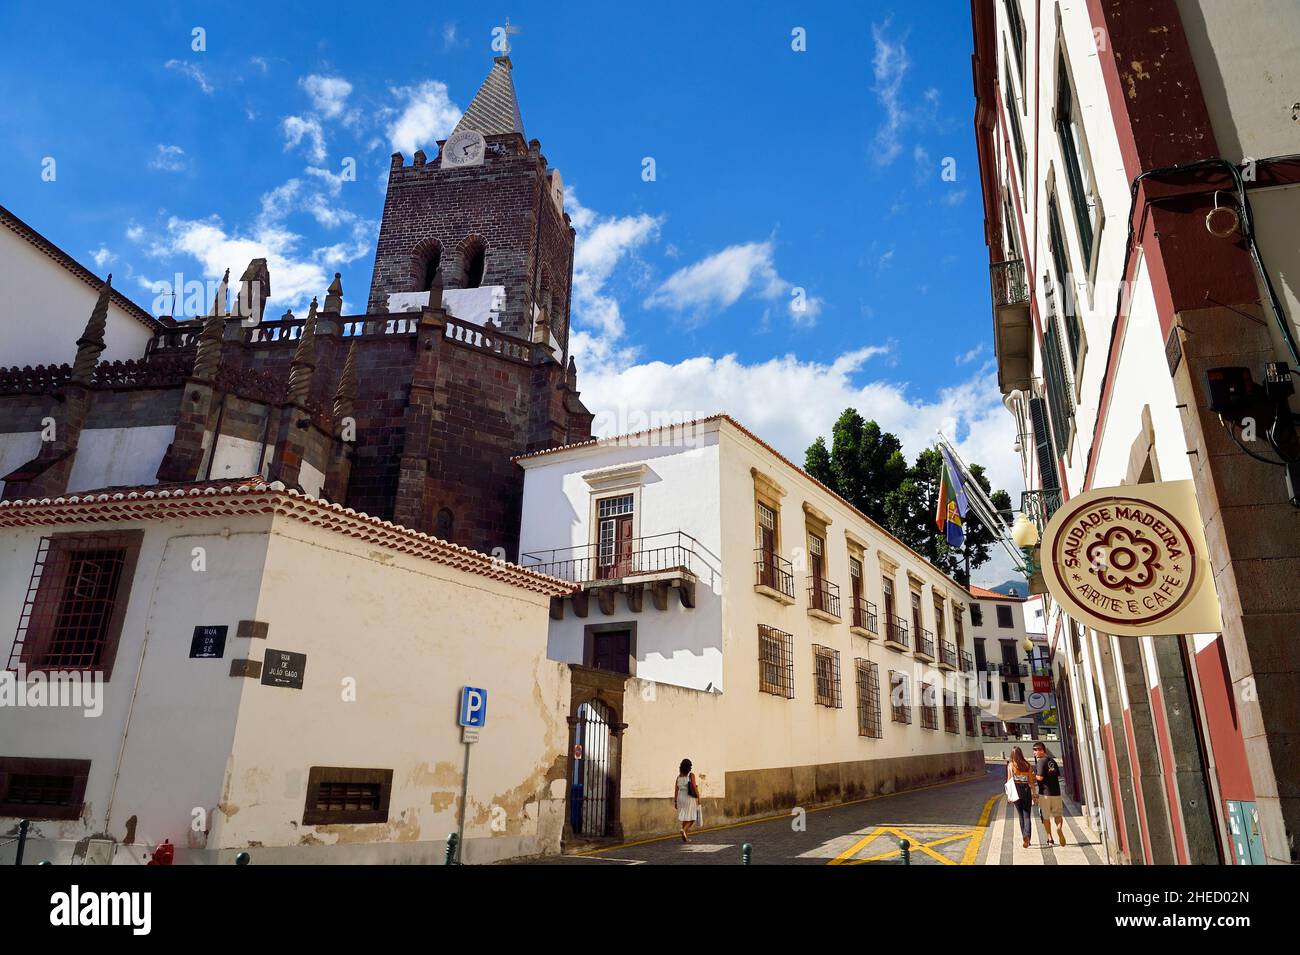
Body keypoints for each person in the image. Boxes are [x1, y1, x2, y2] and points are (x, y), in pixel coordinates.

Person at [1033, 742, 1066, 846]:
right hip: (1056, 793)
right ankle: (1059, 828)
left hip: (1045, 794)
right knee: (1058, 815)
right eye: (1034, 750)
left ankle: (1050, 838)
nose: (1035, 752)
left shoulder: (1040, 762)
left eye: (1037, 749)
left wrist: (1033, 776)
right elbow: (1057, 776)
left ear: (1043, 750)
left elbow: (1040, 777)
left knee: (1045, 817)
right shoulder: (1052, 761)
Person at [1006, 746, 1036, 848]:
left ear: (1012, 755)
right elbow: (1031, 781)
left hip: (1016, 792)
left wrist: (1009, 796)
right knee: (1027, 815)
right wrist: (1034, 794)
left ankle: (1024, 836)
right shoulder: (1027, 765)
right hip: (1026, 791)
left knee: (1020, 815)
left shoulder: (1010, 766)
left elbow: (1009, 781)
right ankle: (1027, 837)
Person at [673, 758, 699, 843]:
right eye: (690, 766)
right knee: (692, 817)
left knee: (685, 817)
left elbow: (676, 790)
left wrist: (675, 801)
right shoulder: (691, 775)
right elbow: (694, 787)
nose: (691, 768)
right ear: (688, 767)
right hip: (688, 797)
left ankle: (685, 836)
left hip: (680, 797)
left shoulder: (678, 777)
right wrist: (698, 797)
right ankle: (683, 829)